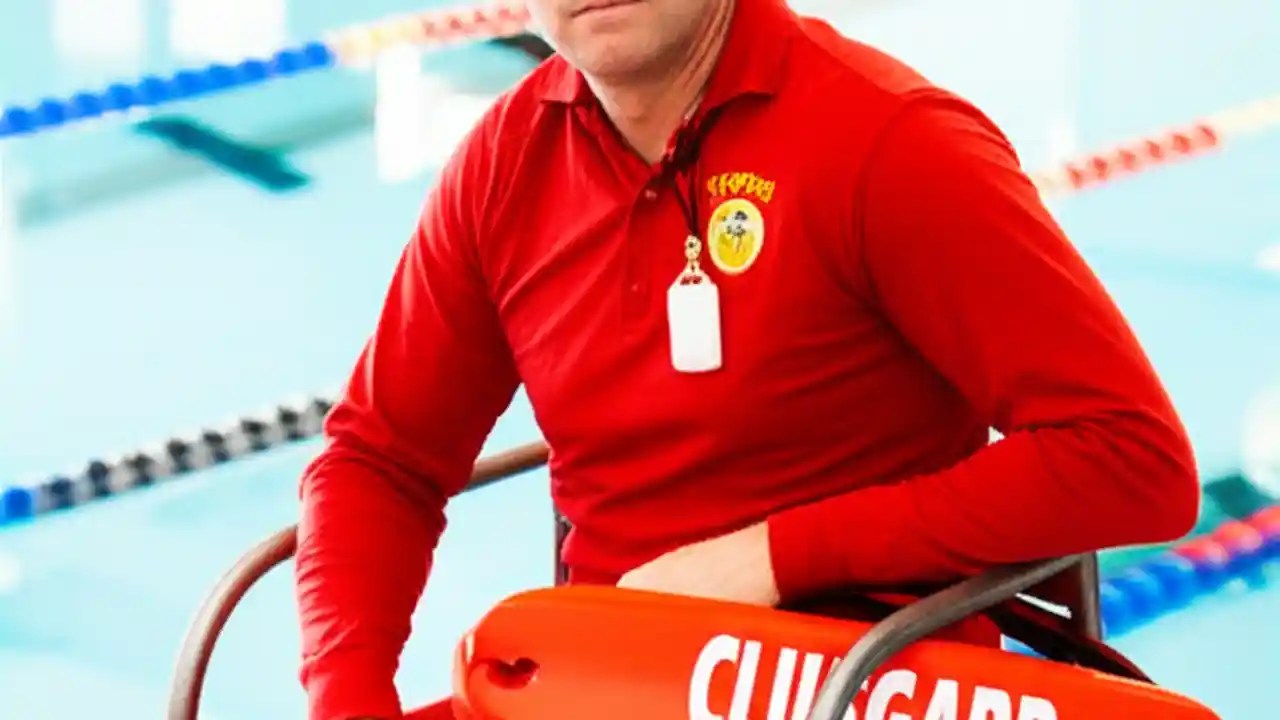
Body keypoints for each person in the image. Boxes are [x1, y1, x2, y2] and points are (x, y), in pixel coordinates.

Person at [293, 0, 1201, 718]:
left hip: (854, 678)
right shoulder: (506, 163)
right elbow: (380, 459)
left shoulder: (886, 141)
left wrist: (770, 558)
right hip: (603, 679)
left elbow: (1132, 457)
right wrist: (346, 703)